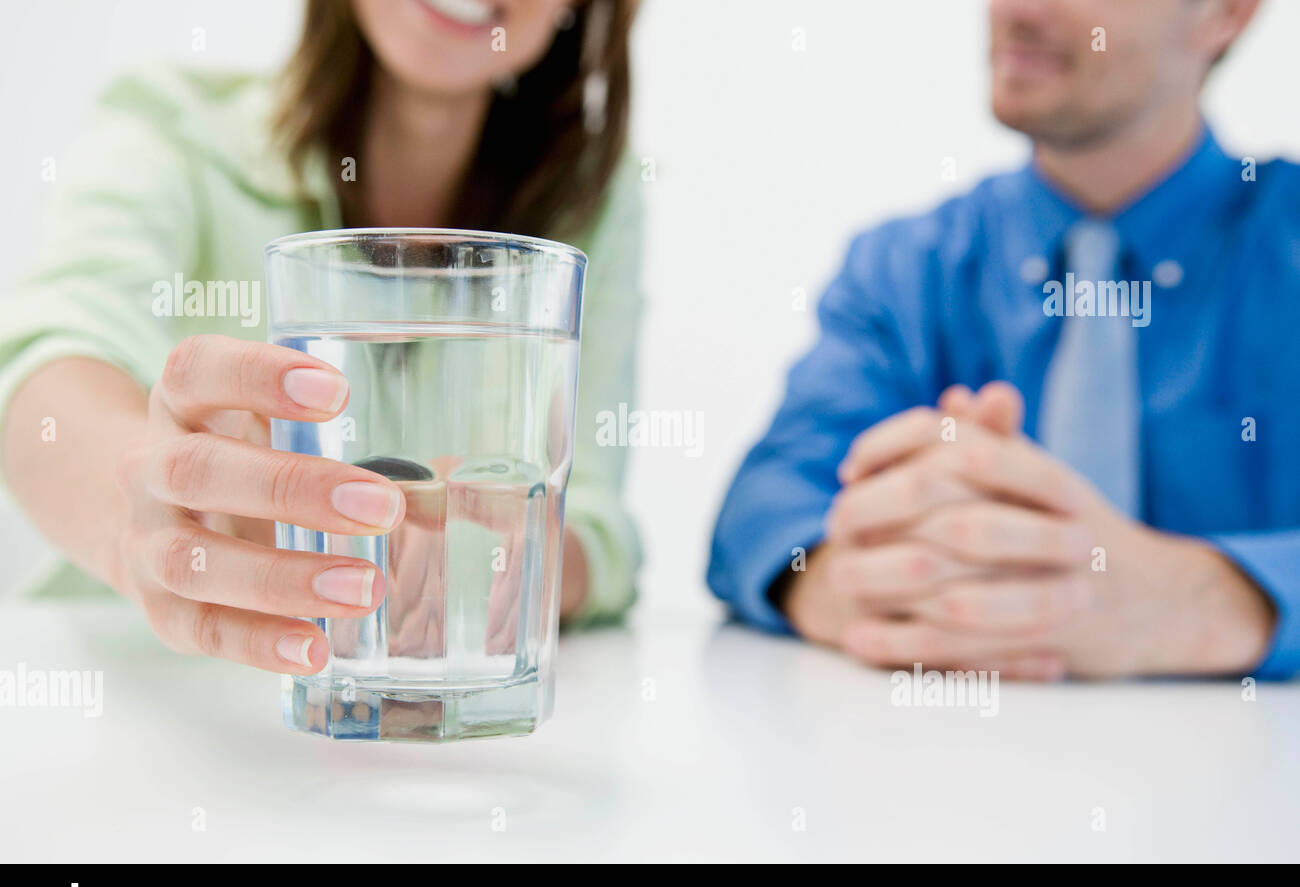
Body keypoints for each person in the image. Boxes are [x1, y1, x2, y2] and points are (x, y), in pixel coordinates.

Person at [0, 0, 642, 673]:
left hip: (446, 701)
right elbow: (47, 354)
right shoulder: (171, 129)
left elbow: (597, 524)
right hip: (149, 699)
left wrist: (511, 543)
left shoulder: (595, 199)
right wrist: (152, 510)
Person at [708, 0, 1300, 680]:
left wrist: (1204, 600)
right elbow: (762, 503)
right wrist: (871, 584)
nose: (1017, 8)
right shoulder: (905, 269)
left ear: (1226, 13)